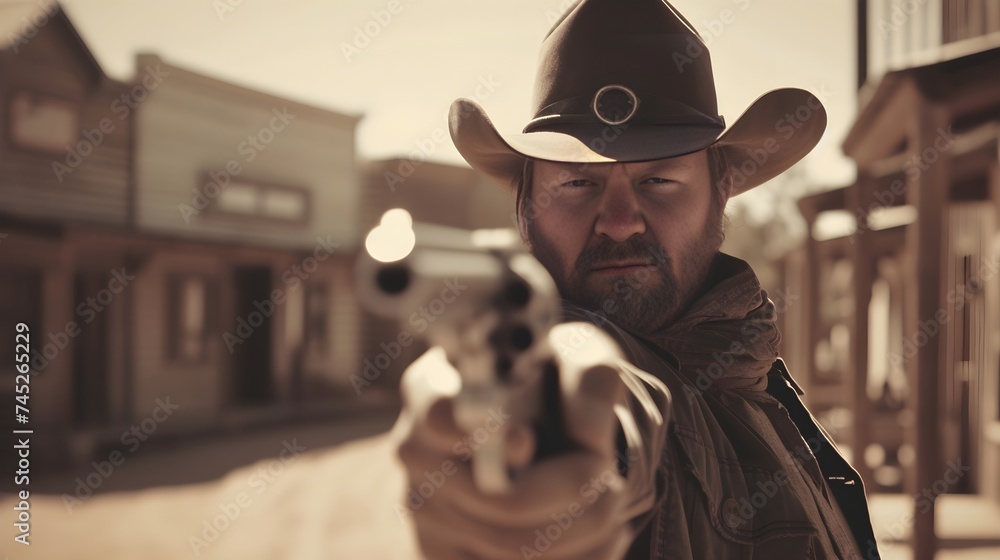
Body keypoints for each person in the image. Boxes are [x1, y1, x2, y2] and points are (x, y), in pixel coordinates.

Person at [395, 0, 881, 558]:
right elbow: (613, 398)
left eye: (659, 179)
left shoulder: (745, 368)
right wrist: (543, 439)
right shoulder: (576, 374)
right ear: (525, 206)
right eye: (578, 184)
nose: (620, 223)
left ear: (720, 188)